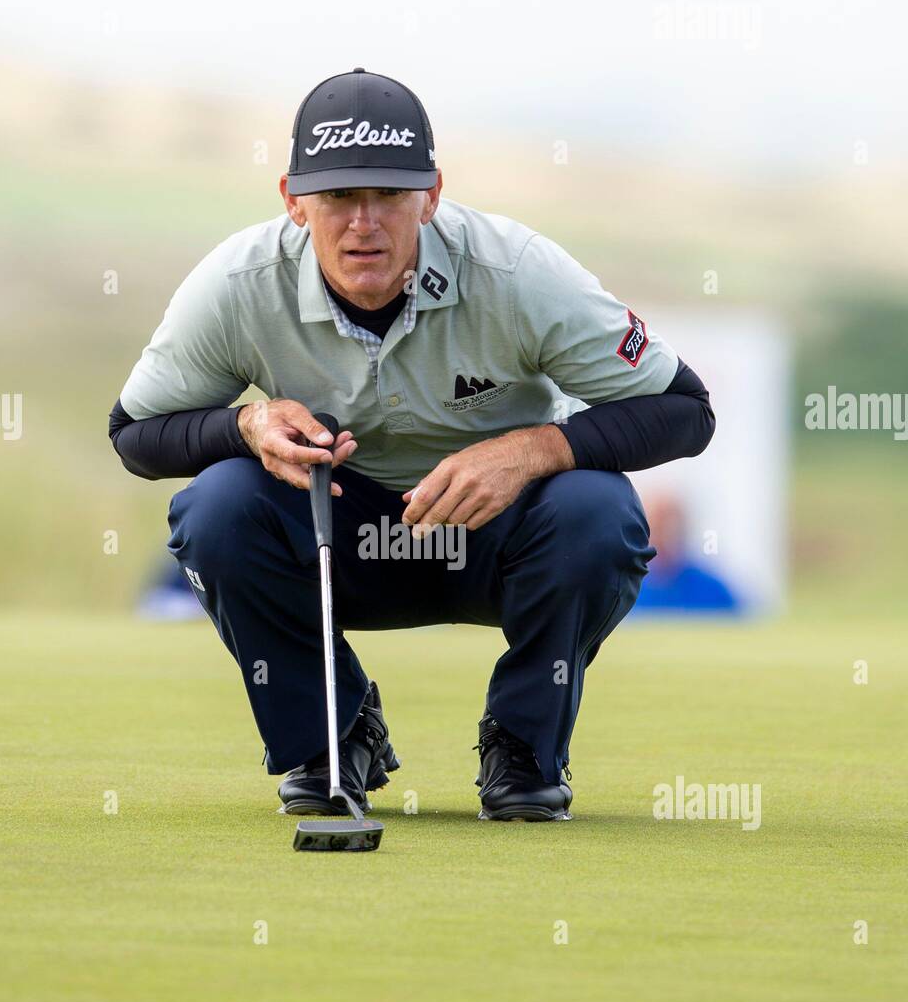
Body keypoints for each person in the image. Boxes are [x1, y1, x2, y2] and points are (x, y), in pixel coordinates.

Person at [109, 68, 715, 821]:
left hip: (496, 537)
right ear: (293, 200)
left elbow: (686, 411)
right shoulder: (237, 284)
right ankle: (332, 740)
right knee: (217, 504)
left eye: (389, 195)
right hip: (337, 541)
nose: (363, 222)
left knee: (597, 507)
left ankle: (524, 749)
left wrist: (533, 449)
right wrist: (244, 424)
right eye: (337, 197)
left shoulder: (518, 270)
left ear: (430, 193)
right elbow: (134, 435)